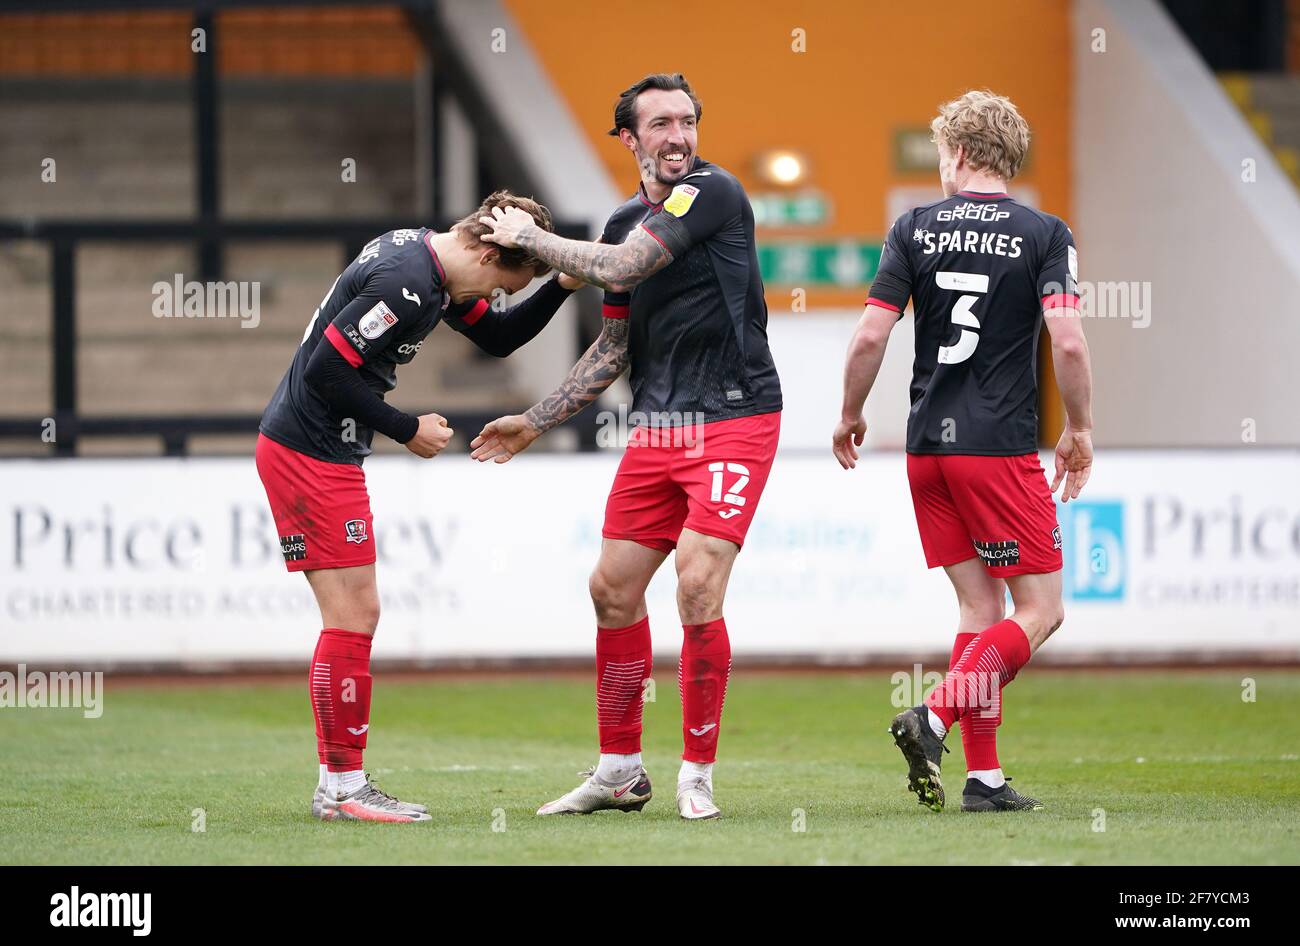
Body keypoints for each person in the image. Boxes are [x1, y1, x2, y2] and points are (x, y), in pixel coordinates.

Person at [468, 73, 782, 820]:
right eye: (661, 124)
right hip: (659, 428)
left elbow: (621, 268)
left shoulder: (715, 192)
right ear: (629, 139)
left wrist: (527, 236)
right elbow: (612, 347)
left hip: (736, 418)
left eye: (687, 121)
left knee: (698, 584)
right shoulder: (618, 223)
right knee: (611, 590)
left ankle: (696, 773)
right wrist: (535, 420)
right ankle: (619, 772)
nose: (678, 136)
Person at [256, 190, 581, 823]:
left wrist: (563, 281)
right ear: (487, 251)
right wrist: (405, 428)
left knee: (355, 614)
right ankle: (343, 787)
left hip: (321, 450)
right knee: (353, 615)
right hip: (309, 452)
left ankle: (339, 782)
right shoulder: (409, 284)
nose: (499, 295)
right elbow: (326, 369)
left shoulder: (430, 265)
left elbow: (500, 336)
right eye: (506, 281)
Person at [834, 90, 1094, 812]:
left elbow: (868, 336)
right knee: (1041, 610)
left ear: (959, 153)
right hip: (998, 447)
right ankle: (936, 714)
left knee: (979, 608)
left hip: (929, 451)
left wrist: (849, 414)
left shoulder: (913, 227)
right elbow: (1067, 339)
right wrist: (1081, 427)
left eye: (942, 151)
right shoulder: (1044, 232)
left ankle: (983, 780)